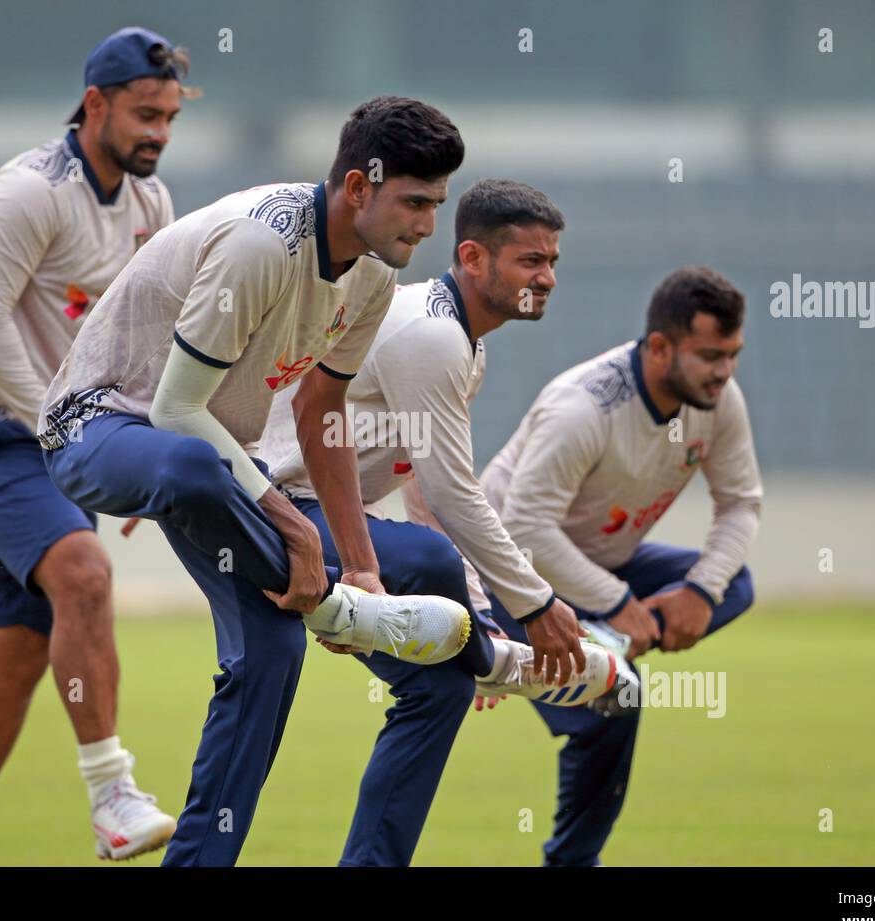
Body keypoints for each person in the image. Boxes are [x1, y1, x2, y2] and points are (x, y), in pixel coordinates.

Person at [38, 96, 472, 866]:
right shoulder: (263, 245)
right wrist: (294, 525)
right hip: (104, 428)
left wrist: (363, 564)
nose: (427, 225)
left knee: (408, 589)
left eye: (437, 205)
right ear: (359, 187)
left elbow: (322, 411)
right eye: (414, 202)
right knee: (193, 464)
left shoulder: (370, 275)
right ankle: (334, 610)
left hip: (214, 467)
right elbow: (173, 410)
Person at [260, 179, 633, 865]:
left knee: (440, 687)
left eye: (553, 262)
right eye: (530, 261)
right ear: (473, 257)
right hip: (273, 514)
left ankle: (480, 665)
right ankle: (496, 661)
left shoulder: (464, 345)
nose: (547, 278)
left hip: (317, 517)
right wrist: (537, 604)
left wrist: (482, 614)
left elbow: (427, 495)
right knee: (431, 569)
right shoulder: (433, 337)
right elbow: (455, 494)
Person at [0, 27, 195, 867]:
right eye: (145, 114)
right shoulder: (24, 193)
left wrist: (144, 450)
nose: (158, 134)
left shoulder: (152, 207)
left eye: (169, 118)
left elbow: (146, 339)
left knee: (22, 657)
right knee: (85, 575)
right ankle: (112, 796)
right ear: (94, 104)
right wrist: (67, 431)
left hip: (65, 440)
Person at [480, 265, 761, 866]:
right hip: (506, 576)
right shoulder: (584, 408)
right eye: (711, 355)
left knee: (731, 582)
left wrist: (699, 595)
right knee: (614, 705)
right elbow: (523, 532)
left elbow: (741, 504)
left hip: (595, 568)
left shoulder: (717, 400)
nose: (725, 372)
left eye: (733, 354)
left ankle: (603, 650)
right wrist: (620, 606)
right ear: (660, 346)